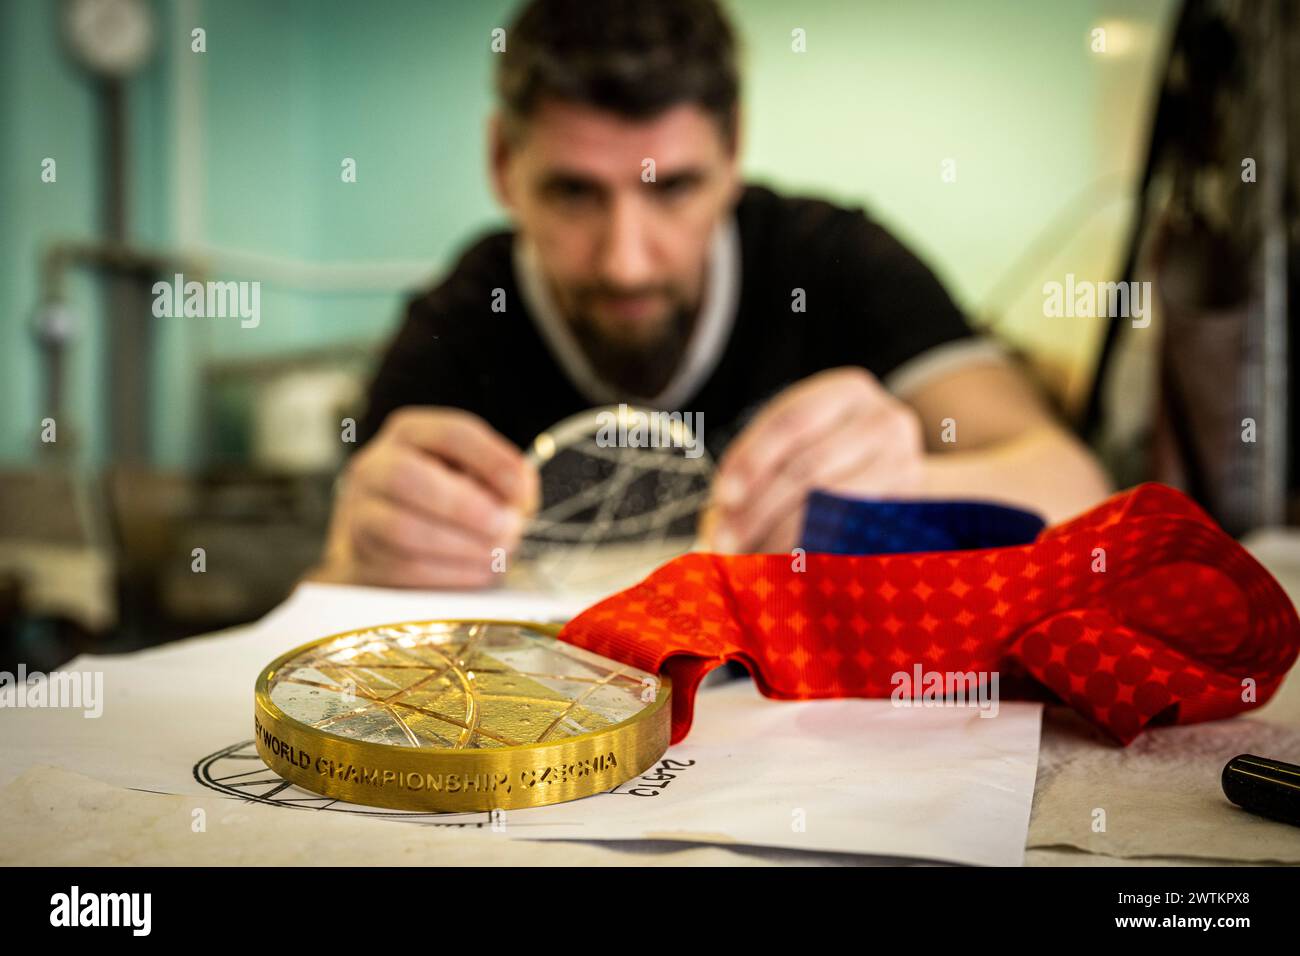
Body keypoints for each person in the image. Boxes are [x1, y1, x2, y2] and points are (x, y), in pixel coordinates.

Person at [310, 0, 1112, 590]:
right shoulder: (462, 319)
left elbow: (1075, 488)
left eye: (675, 190)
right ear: (500, 164)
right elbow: (329, 587)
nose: (627, 262)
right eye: (574, 194)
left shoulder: (832, 261)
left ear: (734, 152)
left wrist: (902, 492)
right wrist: (360, 552)